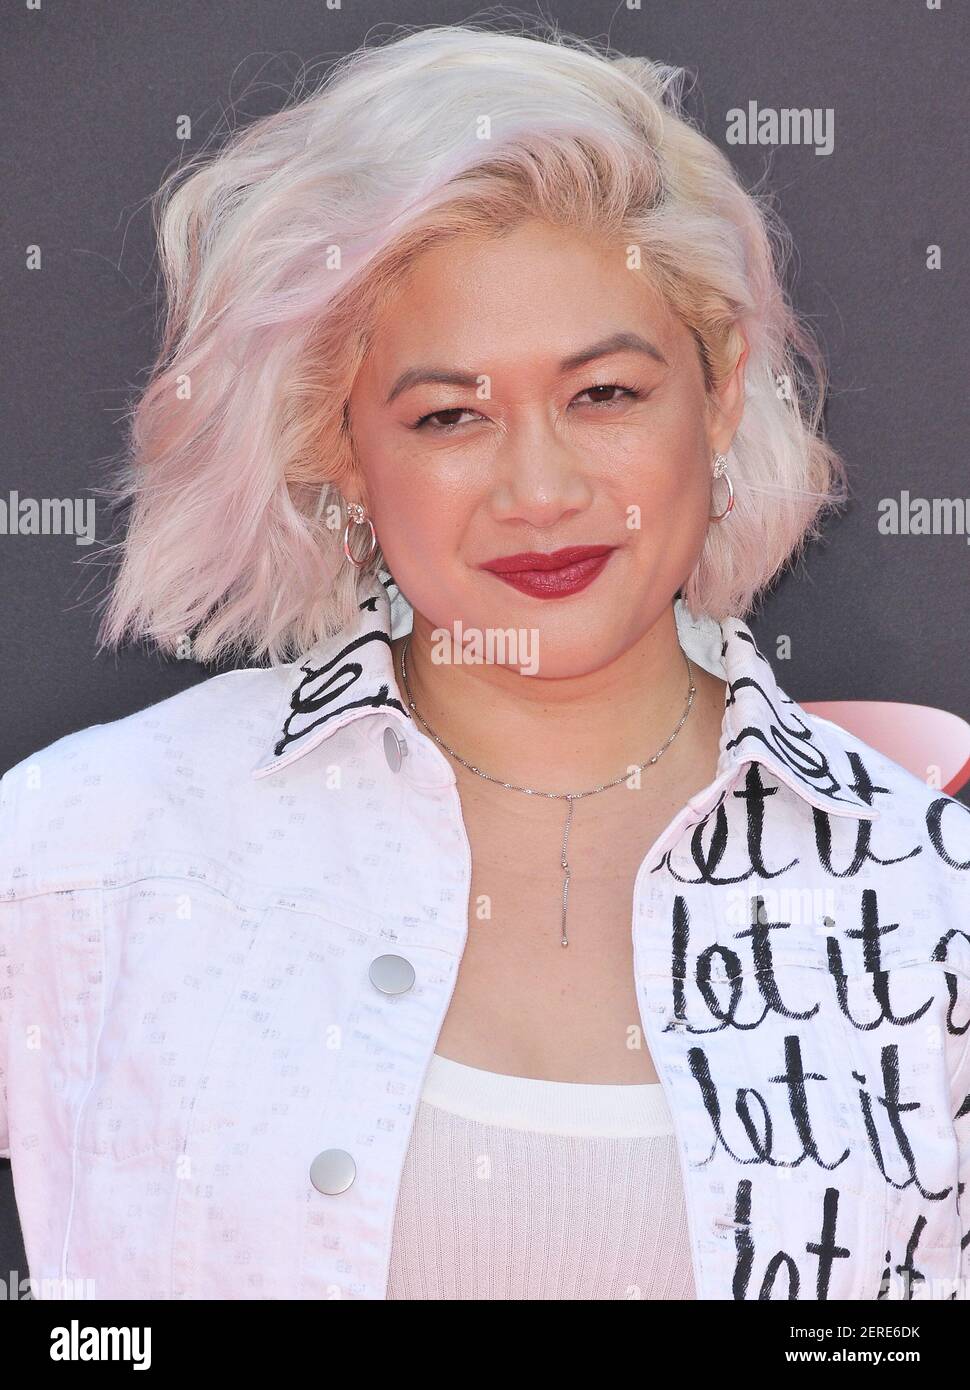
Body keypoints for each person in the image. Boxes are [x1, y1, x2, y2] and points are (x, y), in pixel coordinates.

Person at [1, 22, 968, 1303]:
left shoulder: (927, 898)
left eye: (604, 395)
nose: (539, 490)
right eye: (448, 416)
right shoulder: (84, 852)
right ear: (340, 449)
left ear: (722, 388)